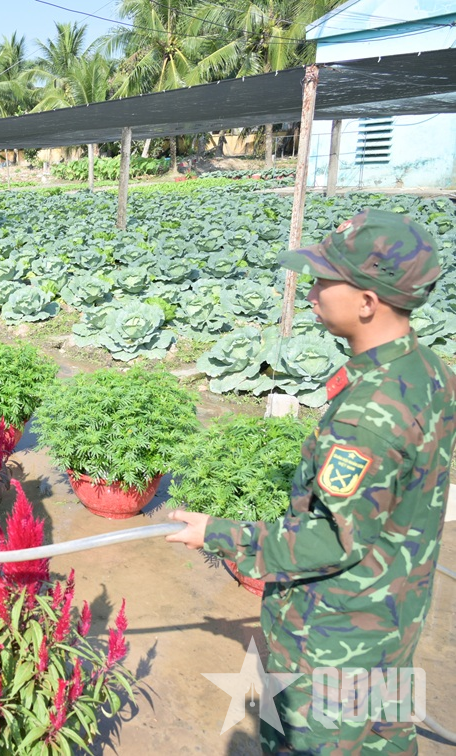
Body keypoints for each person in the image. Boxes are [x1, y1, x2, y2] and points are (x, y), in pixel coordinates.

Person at [167, 209, 455, 753]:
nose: (312, 291)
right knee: (383, 740)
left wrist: (219, 533)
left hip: (333, 642)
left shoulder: (368, 415)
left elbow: (333, 537)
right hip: (391, 622)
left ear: (368, 301)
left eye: (325, 279)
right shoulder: (427, 372)